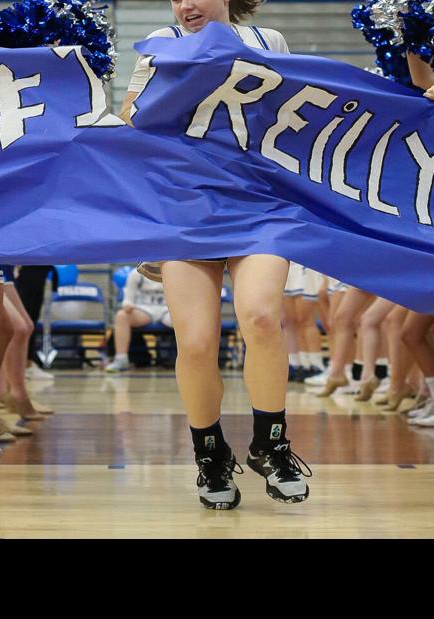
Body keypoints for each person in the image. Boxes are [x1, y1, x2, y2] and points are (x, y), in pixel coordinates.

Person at [121, 0, 308, 508]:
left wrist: (421, 100)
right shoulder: (161, 46)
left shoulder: (269, 42)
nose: (185, 4)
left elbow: (307, 113)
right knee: (197, 343)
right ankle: (210, 454)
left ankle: (271, 444)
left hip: (259, 203)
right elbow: (130, 119)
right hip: (186, 206)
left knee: (262, 317)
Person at [107, 264, 170, 373]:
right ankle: (121, 359)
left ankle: (189, 359)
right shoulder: (136, 273)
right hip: (144, 309)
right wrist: (127, 305)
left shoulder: (174, 270)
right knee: (122, 316)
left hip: (168, 310)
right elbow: (128, 299)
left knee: (188, 319)